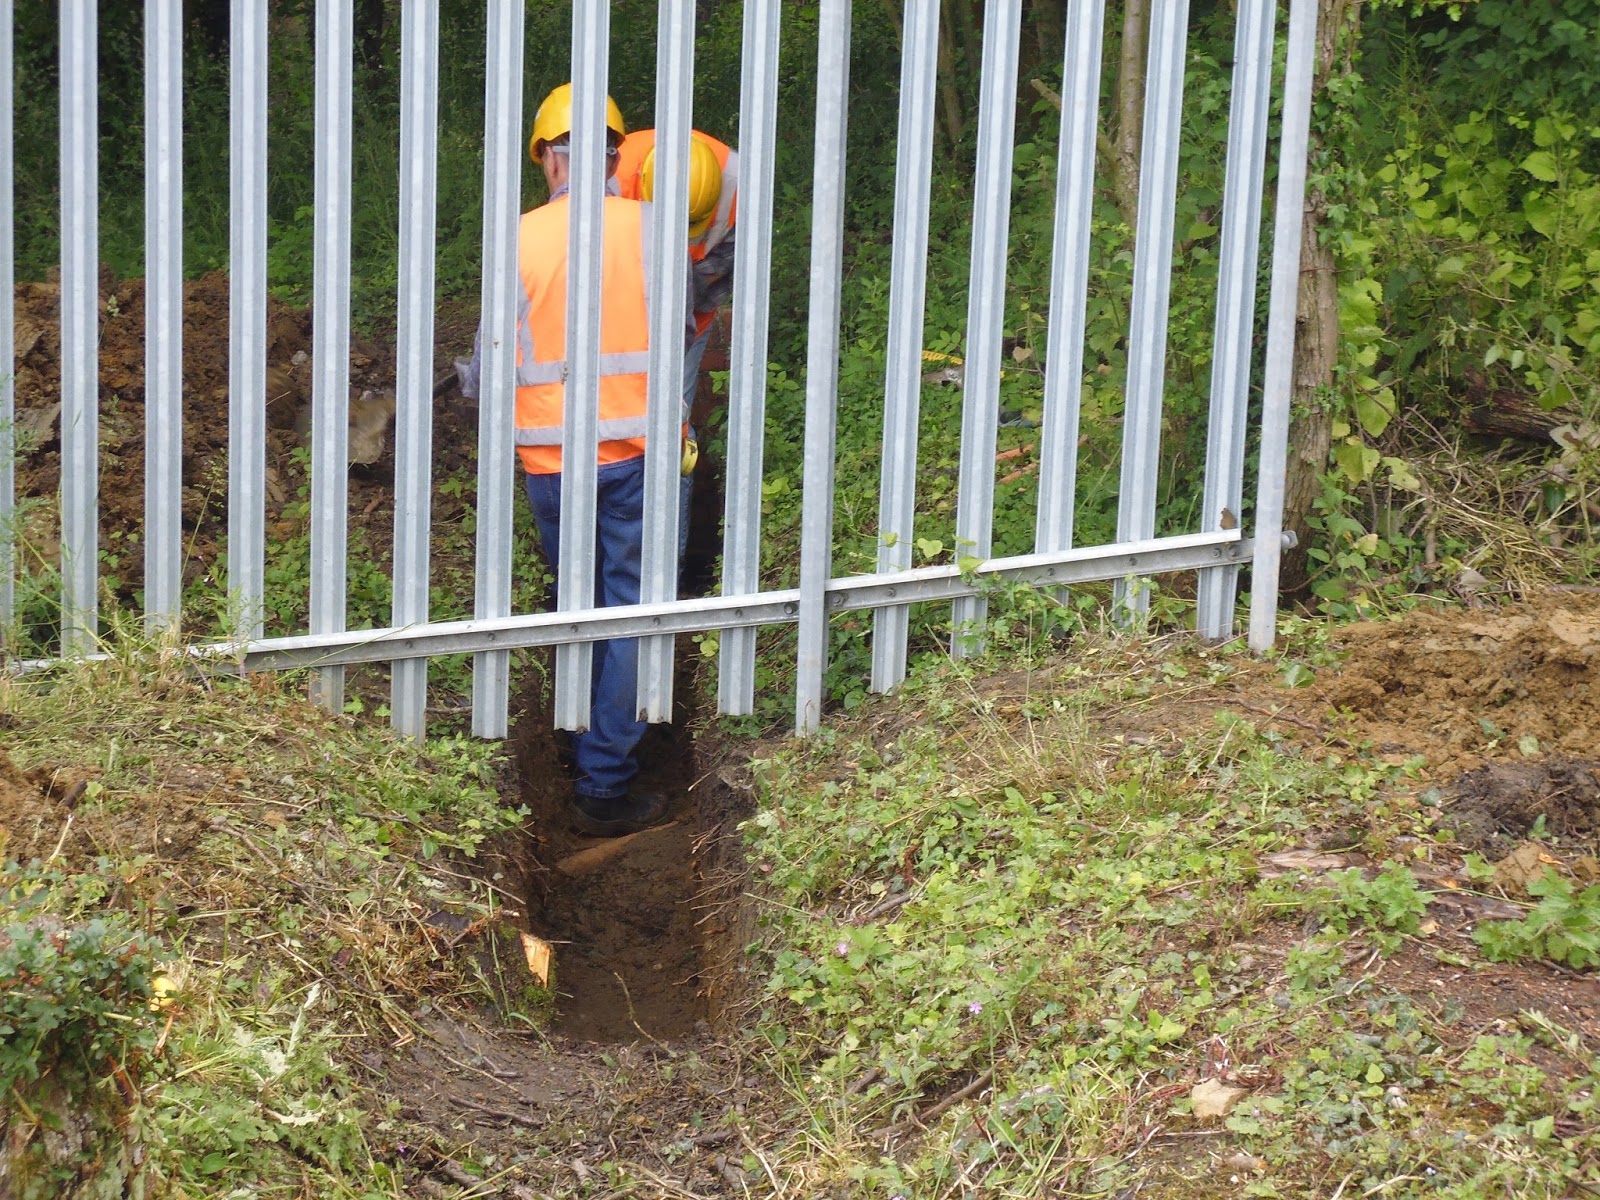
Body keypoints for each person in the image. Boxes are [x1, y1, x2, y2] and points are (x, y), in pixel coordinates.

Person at [458, 83, 692, 838]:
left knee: (578, 602)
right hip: (638, 457)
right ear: (618, 156)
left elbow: (490, 366)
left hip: (550, 461)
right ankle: (603, 782)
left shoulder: (515, 238)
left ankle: (579, 734)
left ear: (545, 160)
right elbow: (685, 334)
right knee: (631, 611)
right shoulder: (657, 228)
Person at [615, 128, 738, 415]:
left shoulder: (740, 194)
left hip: (692, 299)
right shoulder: (611, 181)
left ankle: (676, 446)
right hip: (621, 301)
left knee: (674, 406)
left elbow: (714, 281)